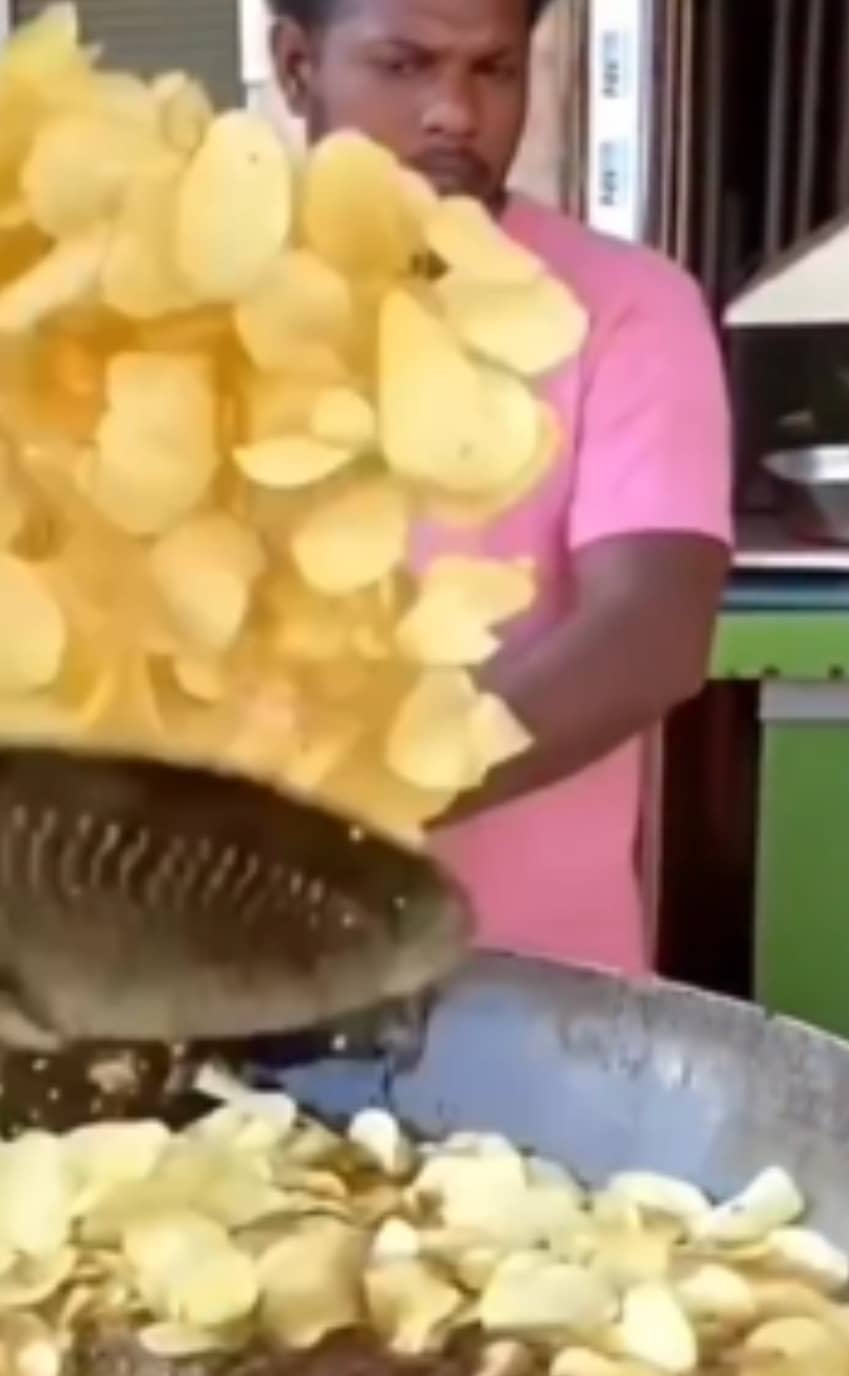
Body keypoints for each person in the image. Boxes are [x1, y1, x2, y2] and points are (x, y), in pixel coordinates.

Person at [270, 0, 734, 974]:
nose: (456, 111)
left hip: (531, 997)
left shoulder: (627, 308)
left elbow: (653, 635)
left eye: (496, 69)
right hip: (222, 972)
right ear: (298, 65)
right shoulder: (186, 304)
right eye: (404, 65)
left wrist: (369, 788)